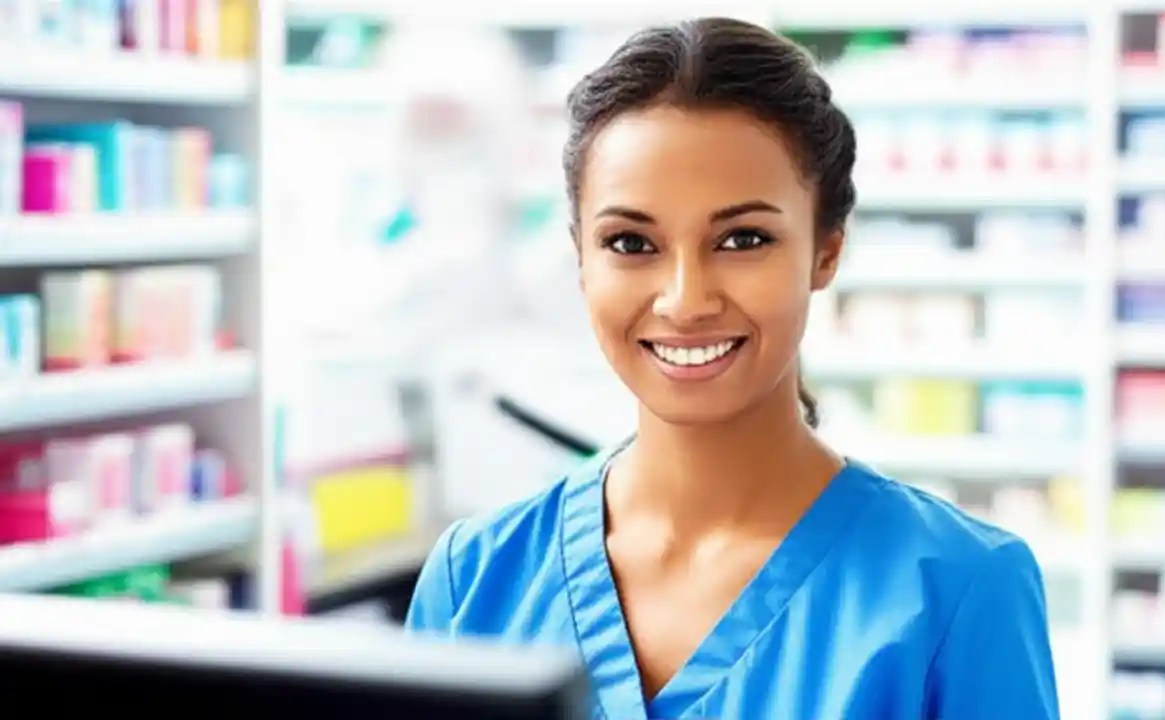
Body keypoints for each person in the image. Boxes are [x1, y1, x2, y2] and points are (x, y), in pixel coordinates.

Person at [405, 17, 1061, 720]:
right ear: (580, 259)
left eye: (742, 239)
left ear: (825, 251)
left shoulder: (958, 592)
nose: (685, 300)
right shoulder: (474, 580)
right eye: (630, 242)